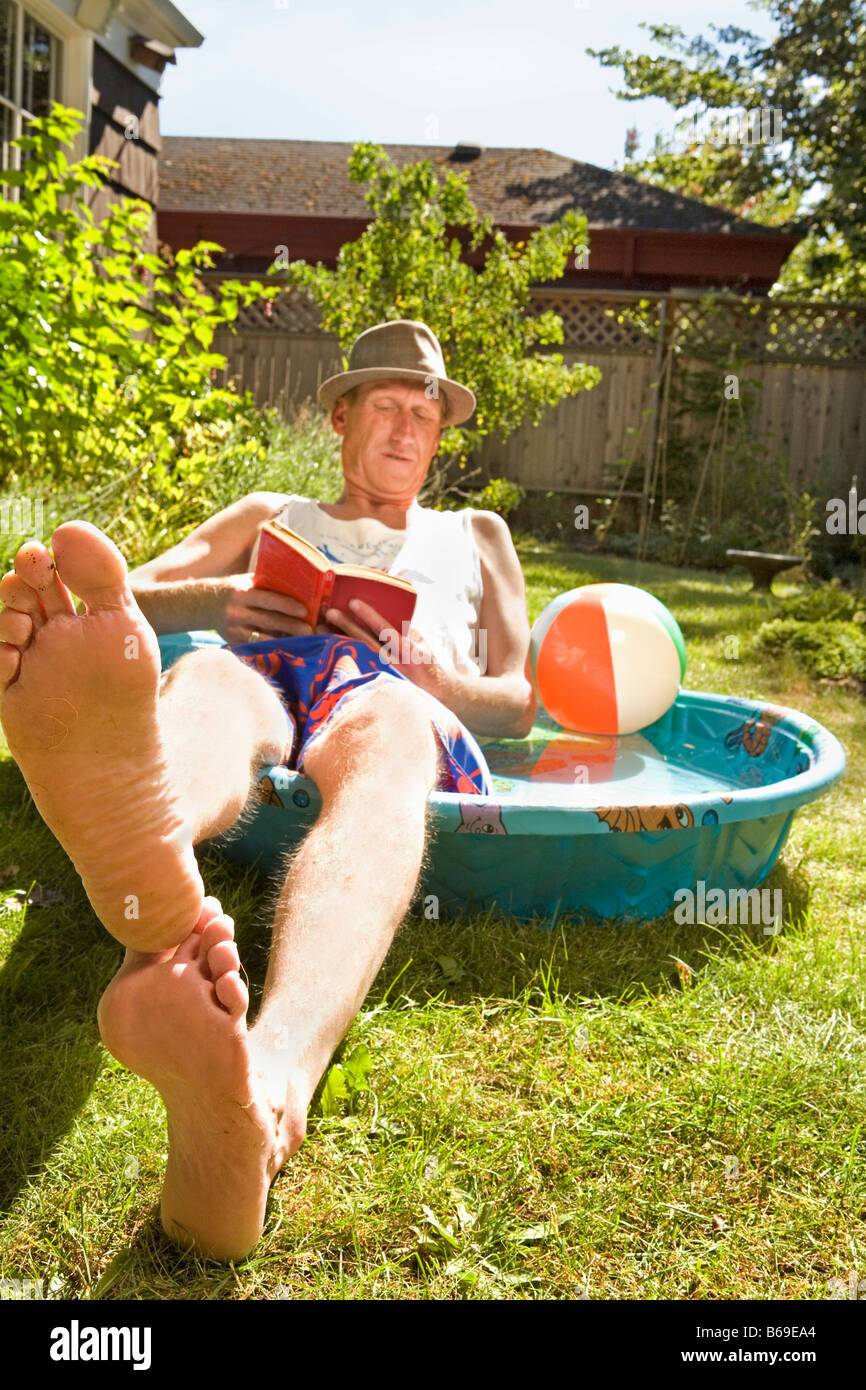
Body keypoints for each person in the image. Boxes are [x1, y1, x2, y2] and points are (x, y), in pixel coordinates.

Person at [0, 320, 535, 1261]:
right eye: (386, 408)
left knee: (396, 736)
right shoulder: (270, 511)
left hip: (395, 694)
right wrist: (226, 600)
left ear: (441, 433)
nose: (408, 431)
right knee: (210, 680)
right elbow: (131, 592)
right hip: (266, 661)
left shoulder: (476, 536)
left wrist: (445, 682)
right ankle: (151, 832)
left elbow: (522, 698)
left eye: (426, 415)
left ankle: (269, 1085)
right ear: (340, 414)